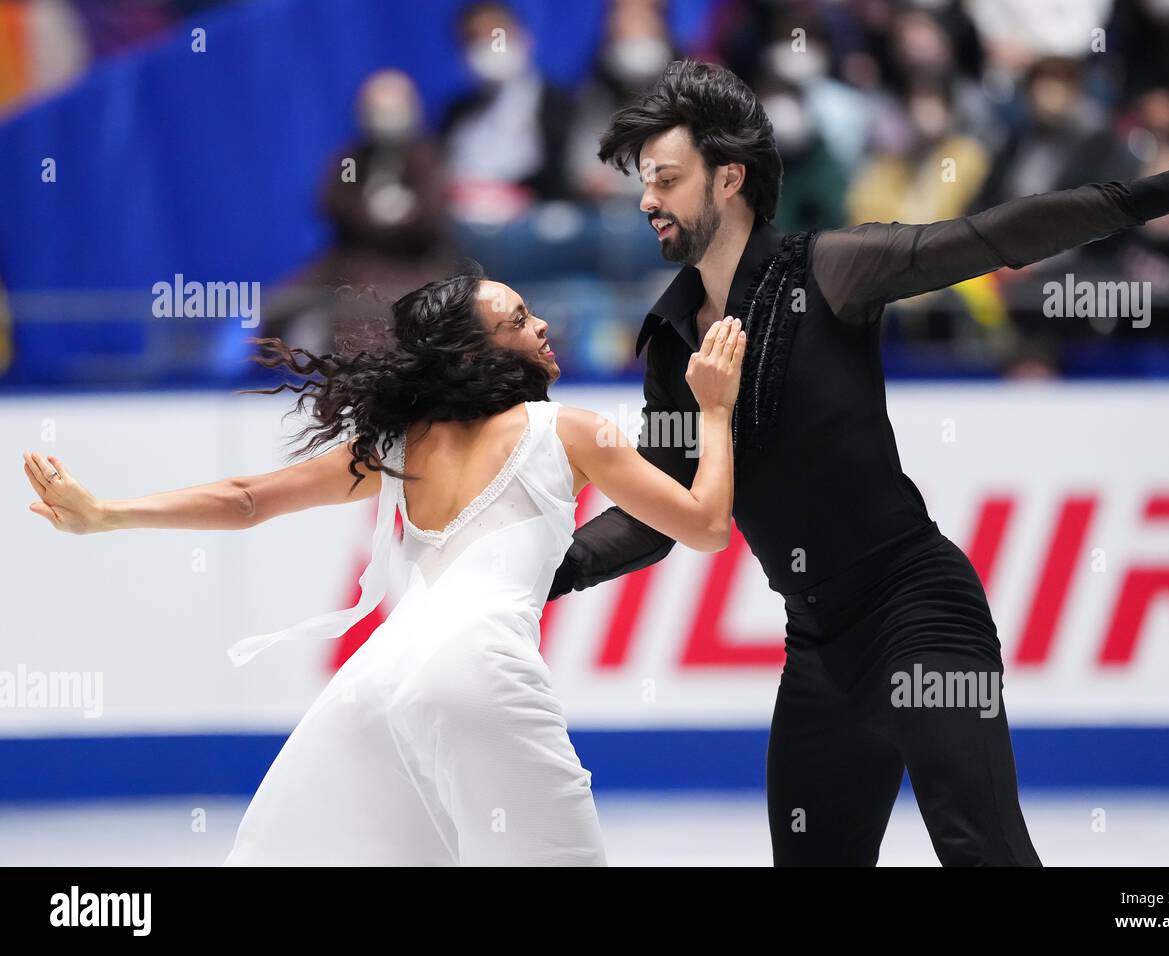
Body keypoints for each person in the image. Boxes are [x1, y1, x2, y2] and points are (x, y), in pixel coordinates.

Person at [547, 58, 1169, 866]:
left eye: (665, 178)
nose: (647, 199)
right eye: (643, 181)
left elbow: (998, 235)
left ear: (729, 179)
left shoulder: (828, 270)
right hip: (820, 650)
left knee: (984, 852)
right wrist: (537, 568)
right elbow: (661, 517)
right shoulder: (673, 340)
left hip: (922, 612)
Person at [20, 265, 747, 866]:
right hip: (480, 668)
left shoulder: (401, 444)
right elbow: (708, 525)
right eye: (520, 320)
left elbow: (246, 499)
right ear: (476, 356)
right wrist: (713, 410)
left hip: (382, 679)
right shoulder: (571, 429)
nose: (543, 326)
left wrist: (108, 512)